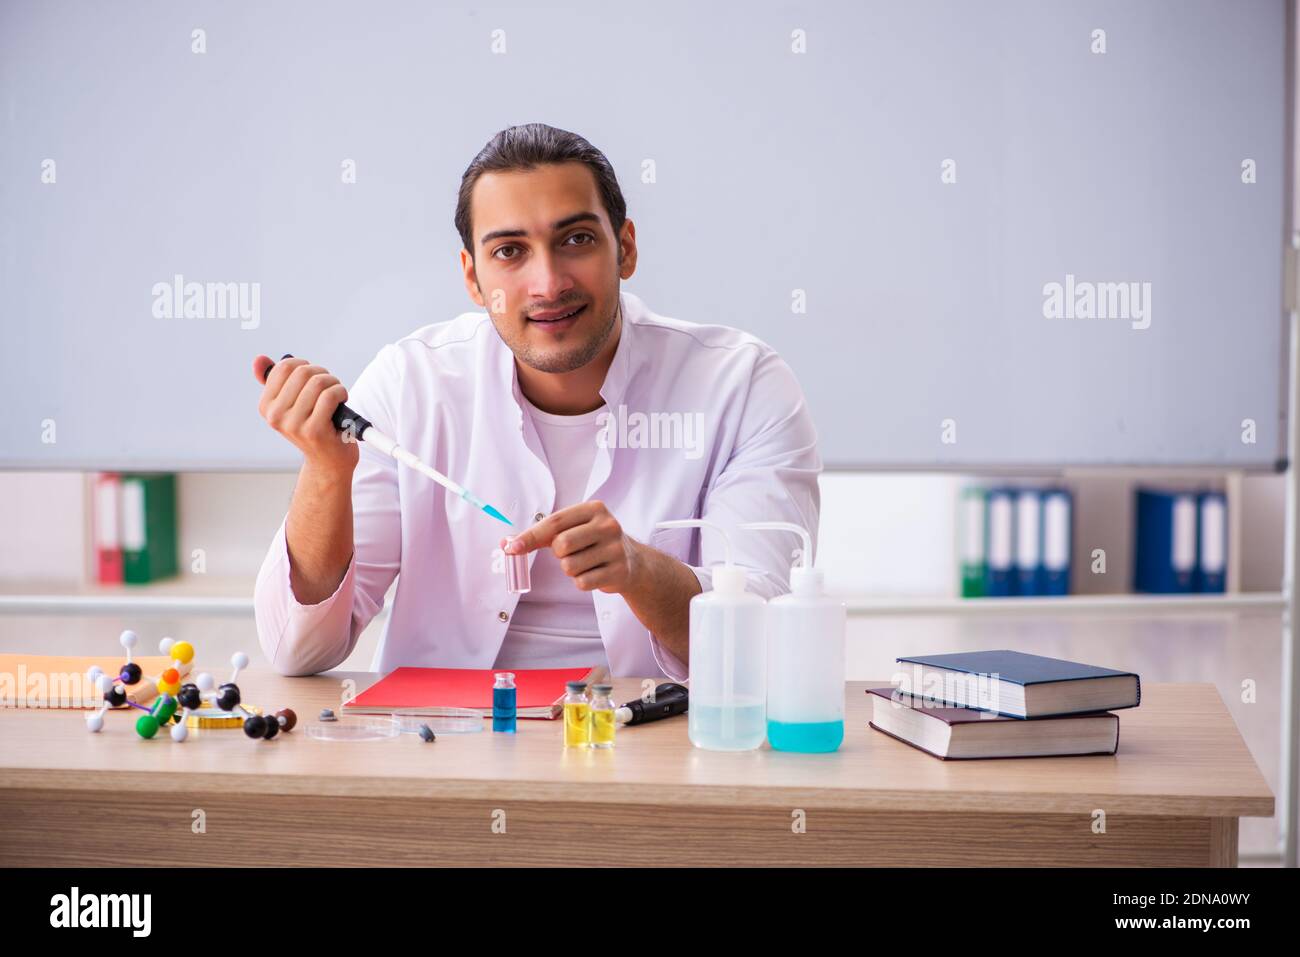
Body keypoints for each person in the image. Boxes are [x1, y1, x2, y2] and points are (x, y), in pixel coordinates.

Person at [251, 123, 821, 679]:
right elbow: (299, 651)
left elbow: (763, 649)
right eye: (510, 251)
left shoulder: (742, 386)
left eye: (576, 240)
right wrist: (327, 471)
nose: (548, 283)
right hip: (444, 752)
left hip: (654, 748)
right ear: (473, 279)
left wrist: (639, 571)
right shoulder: (410, 384)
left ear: (624, 248)